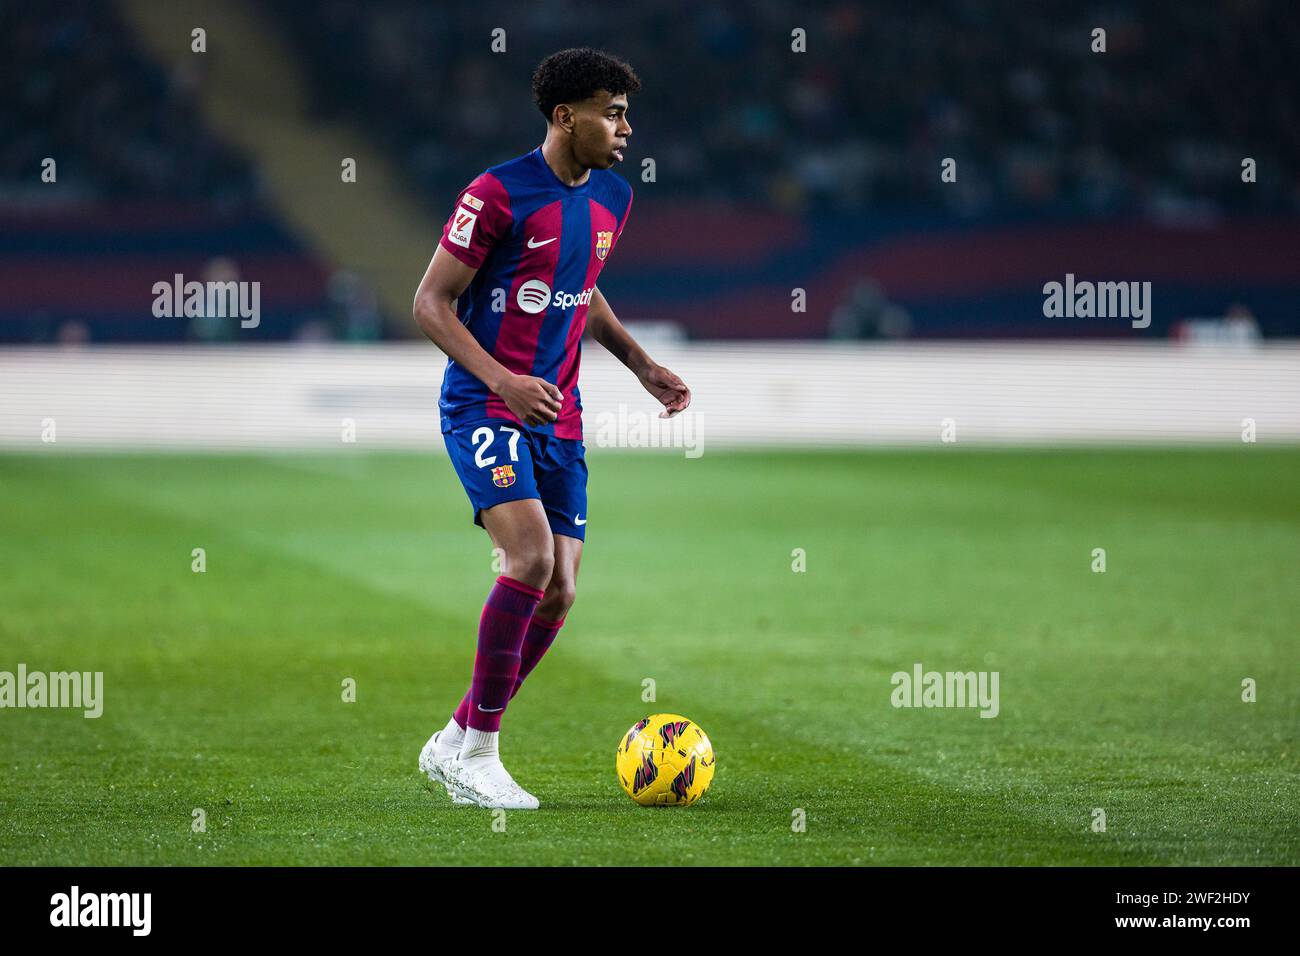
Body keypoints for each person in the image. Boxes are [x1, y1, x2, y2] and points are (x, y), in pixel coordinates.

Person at [412, 48, 691, 808]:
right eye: (612, 111)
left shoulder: (613, 198)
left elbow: (582, 288)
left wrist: (638, 363)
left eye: (627, 113)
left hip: (558, 413)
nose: (625, 127)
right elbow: (430, 302)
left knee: (561, 591)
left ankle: (453, 740)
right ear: (566, 116)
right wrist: (500, 379)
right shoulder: (496, 193)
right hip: (485, 404)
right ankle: (478, 755)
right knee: (529, 558)